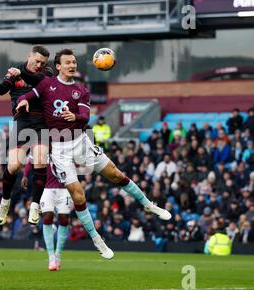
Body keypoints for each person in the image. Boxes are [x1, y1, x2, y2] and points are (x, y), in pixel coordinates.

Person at [16, 48, 172, 259]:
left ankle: (148, 205)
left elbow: (86, 115)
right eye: (68, 62)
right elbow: (28, 94)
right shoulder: (47, 84)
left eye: (74, 62)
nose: (72, 65)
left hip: (81, 142)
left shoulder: (82, 90)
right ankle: (97, 239)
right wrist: (23, 100)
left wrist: (75, 117)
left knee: (116, 174)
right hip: (59, 149)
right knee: (78, 194)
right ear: (58, 66)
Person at [0, 45, 54, 226]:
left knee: (40, 161)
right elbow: (1, 90)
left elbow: (40, 83)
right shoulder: (14, 72)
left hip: (41, 123)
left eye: (42, 62)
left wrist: (20, 76)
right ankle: (5, 201)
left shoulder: (47, 73)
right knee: (13, 167)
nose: (39, 65)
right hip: (21, 122)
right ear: (29, 56)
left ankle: (35, 205)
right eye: (37, 61)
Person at [22, 156, 72, 271]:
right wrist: (25, 175)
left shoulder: (64, 144)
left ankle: (58, 254)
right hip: (46, 188)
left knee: (64, 219)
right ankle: (51, 257)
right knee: (47, 217)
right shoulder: (41, 146)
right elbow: (31, 160)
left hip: (64, 188)